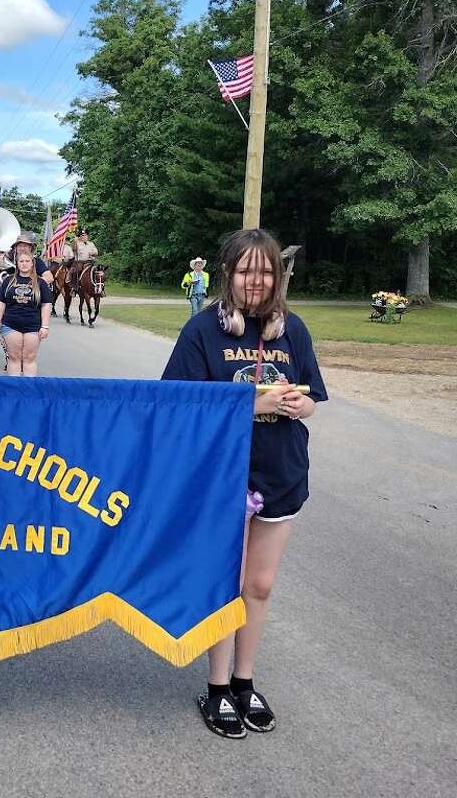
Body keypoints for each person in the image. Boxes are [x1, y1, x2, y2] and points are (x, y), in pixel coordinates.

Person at [160, 228, 327, 739]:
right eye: (245, 269)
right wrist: (251, 403)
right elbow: (177, 407)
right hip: (221, 479)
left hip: (281, 473)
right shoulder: (203, 333)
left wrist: (302, 405)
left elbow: (314, 396)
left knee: (259, 585)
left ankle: (244, 680)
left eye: (266, 270)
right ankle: (215, 688)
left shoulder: (292, 330)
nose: (256, 280)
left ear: (278, 277)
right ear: (227, 273)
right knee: (225, 584)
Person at [0, 248, 51, 376]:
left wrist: (45, 326)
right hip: (10, 325)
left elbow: (46, 305)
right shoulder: (8, 281)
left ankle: (29, 390)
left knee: (29, 358)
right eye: (21, 261)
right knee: (14, 357)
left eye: (27, 261)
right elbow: (1, 302)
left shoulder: (40, 283)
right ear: (17, 263)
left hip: (33, 326)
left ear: (32, 263)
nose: (24, 263)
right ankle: (14, 389)